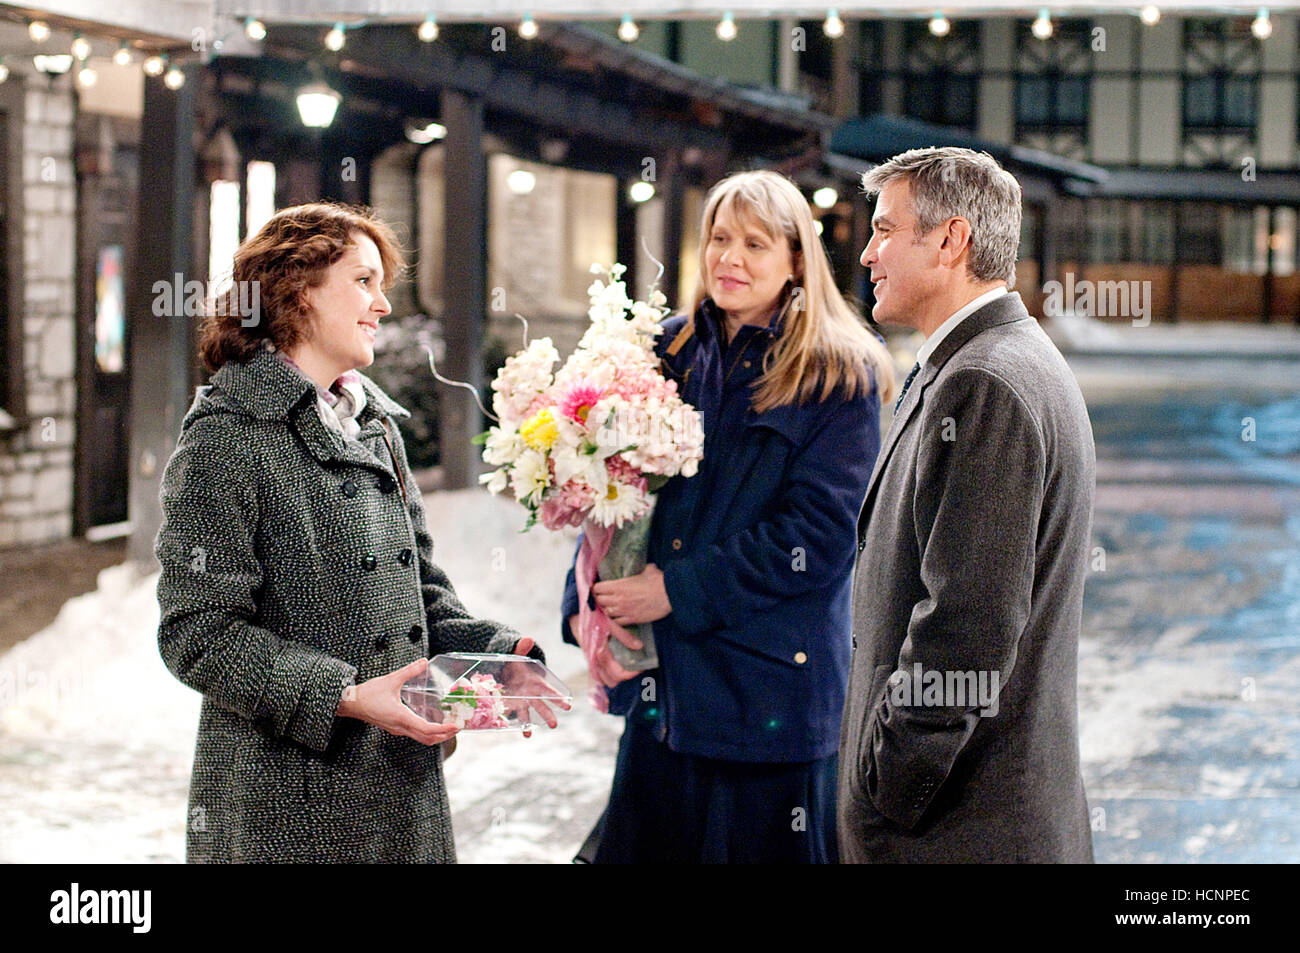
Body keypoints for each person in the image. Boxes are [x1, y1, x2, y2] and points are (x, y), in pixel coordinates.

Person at [155, 202, 543, 863]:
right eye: (364, 281)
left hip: (400, 792)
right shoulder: (228, 434)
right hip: (281, 812)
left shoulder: (375, 426)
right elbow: (197, 632)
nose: (382, 305)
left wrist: (498, 653)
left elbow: (417, 586)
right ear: (298, 288)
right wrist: (343, 694)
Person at [562, 170, 895, 863]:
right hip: (667, 700)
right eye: (719, 238)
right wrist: (584, 599)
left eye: (754, 243)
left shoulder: (839, 372)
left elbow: (820, 536)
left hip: (767, 702)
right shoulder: (666, 350)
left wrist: (676, 590)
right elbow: (613, 491)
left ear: (797, 258)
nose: (729, 258)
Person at [838, 147, 1096, 863]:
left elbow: (968, 628)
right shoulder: (978, 363)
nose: (866, 253)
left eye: (886, 229)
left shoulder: (984, 382)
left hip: (962, 830)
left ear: (951, 241)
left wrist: (886, 786)